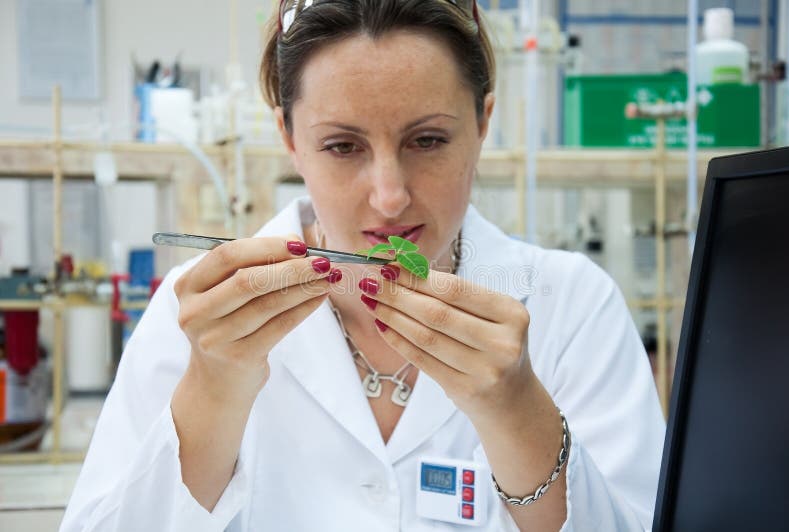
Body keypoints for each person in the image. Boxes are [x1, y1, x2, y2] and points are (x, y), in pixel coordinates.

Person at [61, 1, 665, 530]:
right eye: (343, 146)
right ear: (290, 139)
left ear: (483, 122)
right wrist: (212, 390)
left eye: (427, 140)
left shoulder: (571, 303)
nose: (389, 196)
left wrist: (517, 412)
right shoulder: (199, 313)